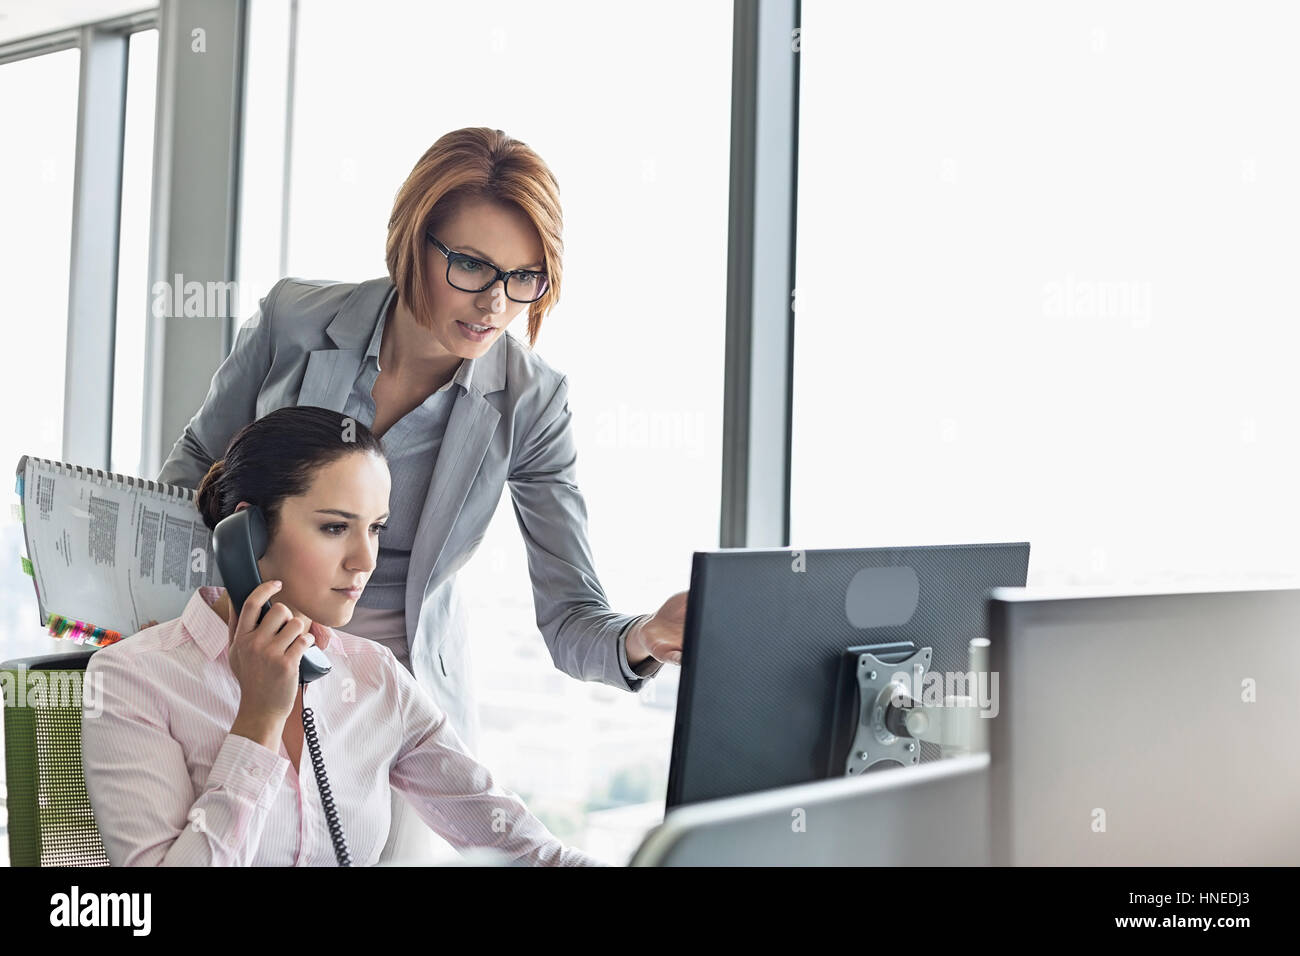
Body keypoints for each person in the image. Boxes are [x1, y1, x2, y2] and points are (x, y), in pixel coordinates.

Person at [156, 127, 686, 861]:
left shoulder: (531, 403)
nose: (496, 303)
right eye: (471, 265)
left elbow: (570, 618)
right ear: (413, 240)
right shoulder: (295, 321)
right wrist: (209, 602)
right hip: (245, 661)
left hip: (393, 706)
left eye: (525, 278)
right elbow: (193, 468)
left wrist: (645, 638)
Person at [82, 406, 603, 866]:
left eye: (375, 528)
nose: (366, 560)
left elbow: (525, 849)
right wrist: (259, 720)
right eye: (335, 527)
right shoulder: (134, 678)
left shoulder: (374, 676)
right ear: (248, 533)